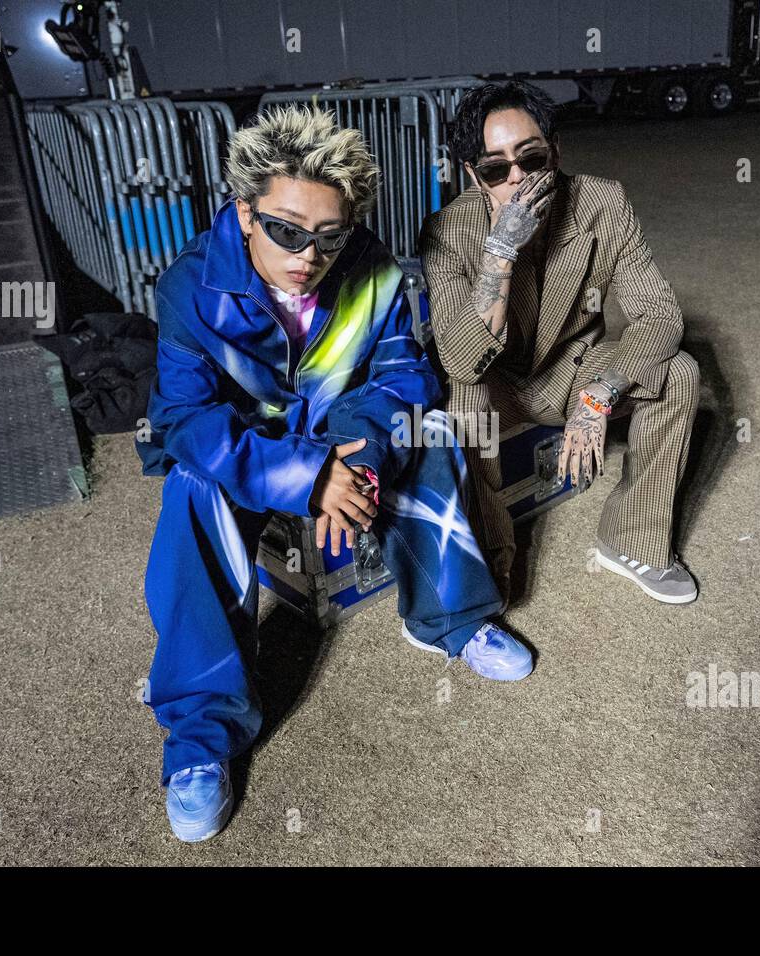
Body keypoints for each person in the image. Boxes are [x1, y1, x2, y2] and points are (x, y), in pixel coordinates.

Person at [136, 105, 532, 843]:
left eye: (329, 236)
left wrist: (358, 461)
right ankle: (203, 734)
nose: (306, 255)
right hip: (246, 448)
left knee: (432, 425)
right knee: (189, 485)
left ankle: (452, 616)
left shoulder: (374, 268)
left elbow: (400, 373)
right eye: (286, 230)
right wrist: (307, 480)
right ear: (244, 212)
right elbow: (185, 420)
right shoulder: (187, 288)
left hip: (341, 431)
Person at [419, 80, 701, 608]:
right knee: (460, 396)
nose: (519, 178)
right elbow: (459, 356)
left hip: (575, 371)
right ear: (475, 178)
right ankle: (490, 562)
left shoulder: (603, 201)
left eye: (532, 157)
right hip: (495, 383)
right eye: (496, 168)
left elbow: (659, 313)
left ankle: (632, 541)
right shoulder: (446, 230)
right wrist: (501, 249)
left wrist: (599, 395)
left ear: (556, 150)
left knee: (680, 372)